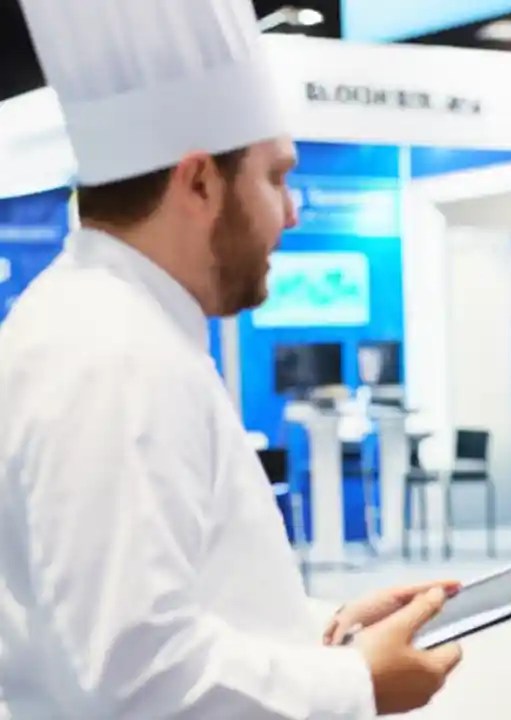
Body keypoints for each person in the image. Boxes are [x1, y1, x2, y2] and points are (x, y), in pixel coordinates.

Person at [0, 1, 461, 717]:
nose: (292, 213)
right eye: (276, 178)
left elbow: (178, 604)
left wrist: (327, 631)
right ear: (198, 183)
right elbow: (134, 675)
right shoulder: (114, 356)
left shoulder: (115, 325)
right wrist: (356, 682)